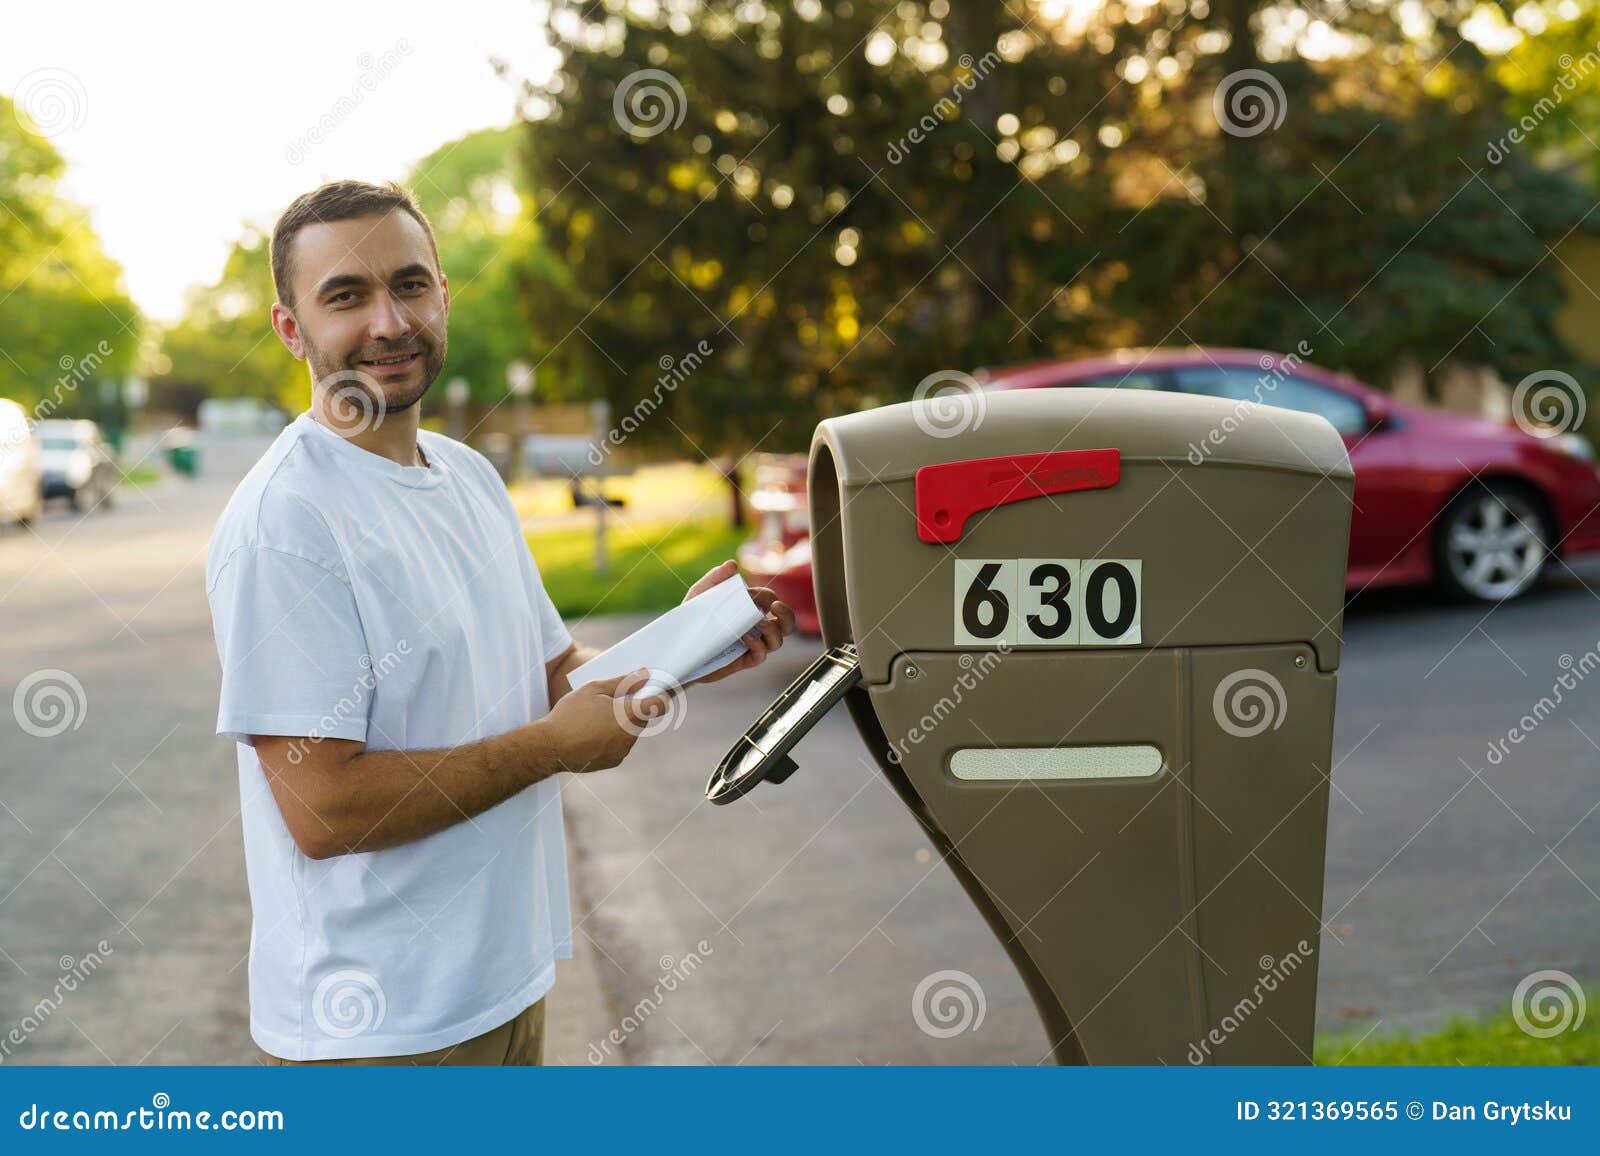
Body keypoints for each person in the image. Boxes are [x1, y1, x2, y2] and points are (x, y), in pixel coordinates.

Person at [204, 180, 794, 1066]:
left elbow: (550, 674)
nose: (389, 322)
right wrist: (551, 748)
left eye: (409, 284)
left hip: (504, 982)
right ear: (291, 329)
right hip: (377, 1029)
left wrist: (685, 650)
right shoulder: (285, 522)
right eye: (346, 296)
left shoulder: (469, 477)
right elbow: (323, 809)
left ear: (443, 294)